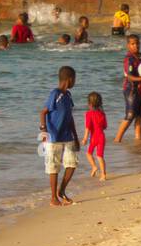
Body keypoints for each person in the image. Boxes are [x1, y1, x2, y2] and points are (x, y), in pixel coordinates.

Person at [39, 65, 79, 207]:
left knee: (72, 163)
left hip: (67, 136)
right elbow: (43, 112)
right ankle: (53, 198)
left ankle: (61, 191)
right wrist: (43, 131)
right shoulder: (55, 94)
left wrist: (76, 136)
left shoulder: (68, 96)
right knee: (53, 167)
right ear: (69, 79)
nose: (75, 82)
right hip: (53, 136)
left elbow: (70, 117)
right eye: (74, 79)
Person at [114, 35, 141, 144]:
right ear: (128, 45)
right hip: (131, 90)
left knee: (140, 115)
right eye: (133, 44)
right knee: (130, 115)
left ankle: (138, 140)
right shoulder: (128, 59)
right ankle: (117, 139)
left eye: (137, 43)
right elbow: (129, 76)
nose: (136, 46)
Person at [84, 92, 108, 180]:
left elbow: (87, 127)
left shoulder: (88, 114)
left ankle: (94, 167)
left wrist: (85, 138)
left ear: (89, 103)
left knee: (88, 154)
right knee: (100, 156)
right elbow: (105, 126)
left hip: (94, 138)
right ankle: (103, 174)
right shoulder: (102, 114)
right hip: (102, 136)